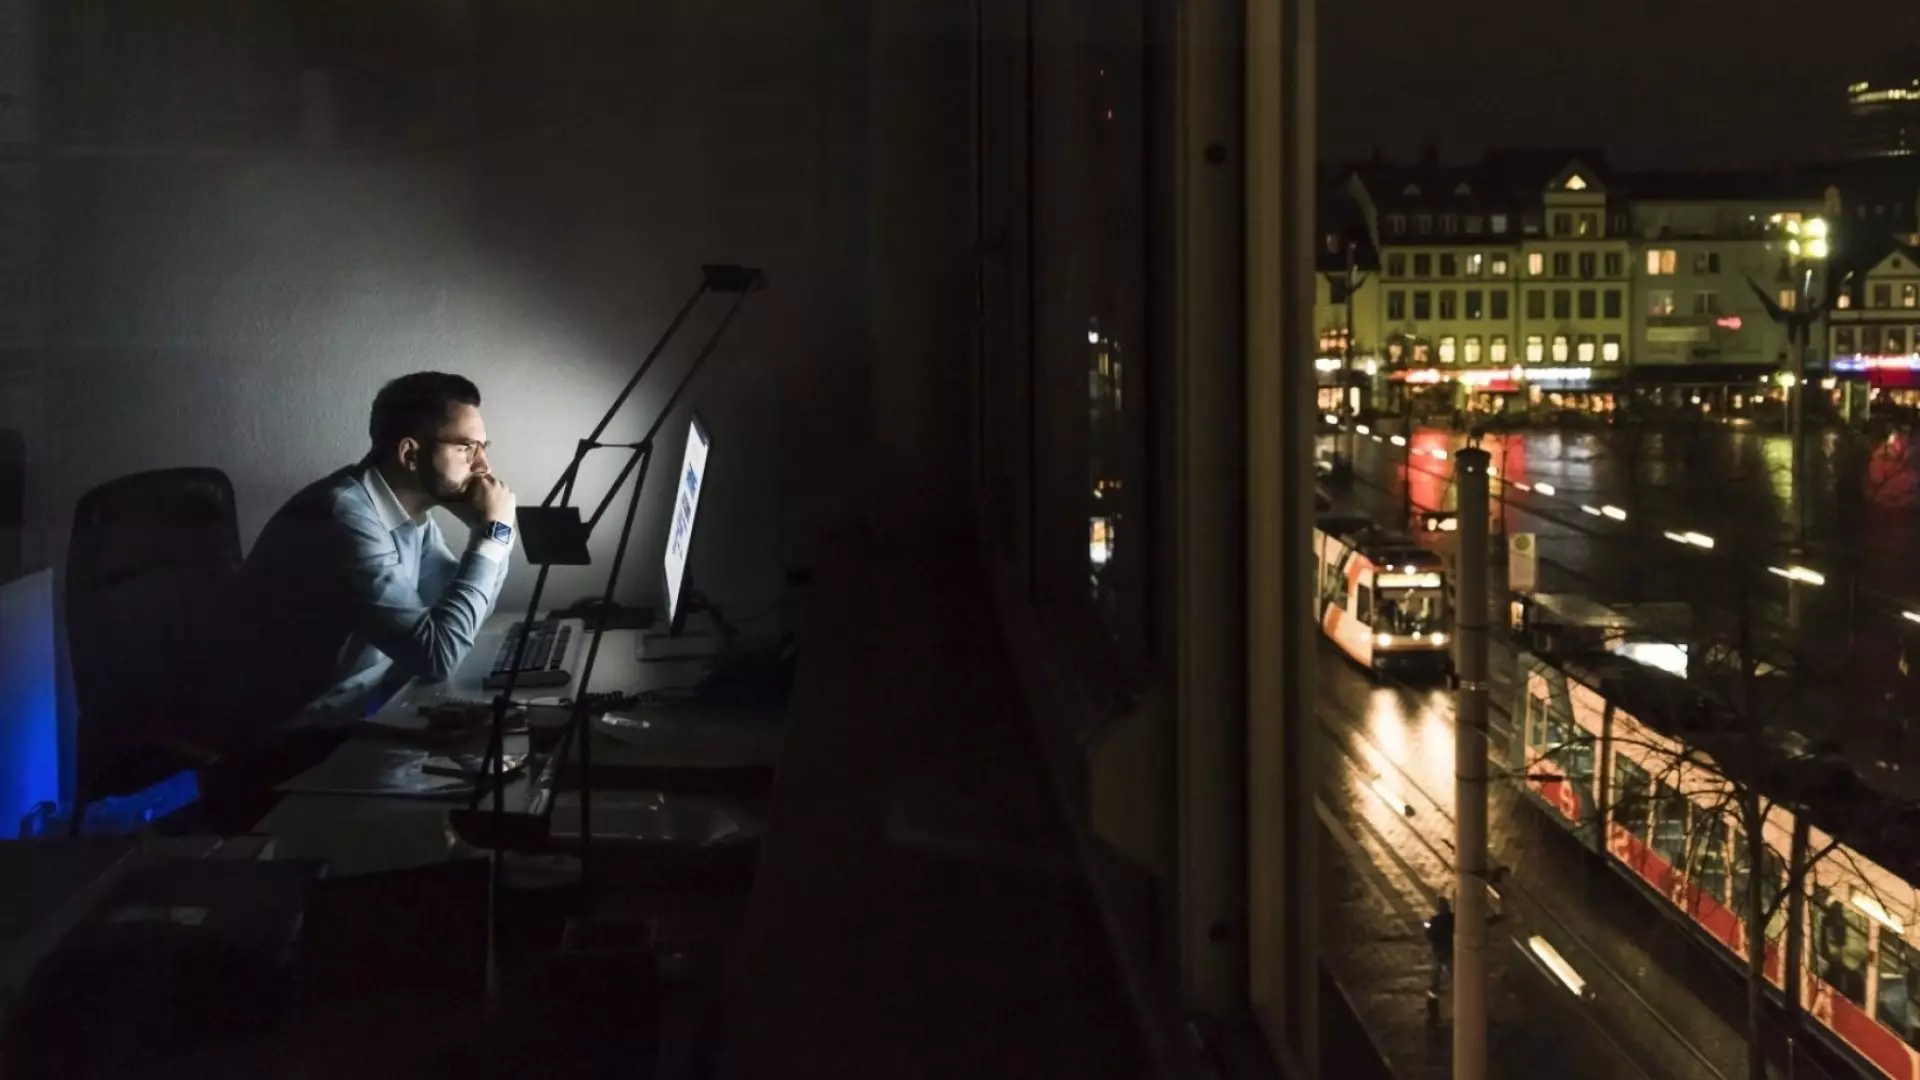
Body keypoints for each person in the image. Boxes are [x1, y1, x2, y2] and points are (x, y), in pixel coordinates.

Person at [199, 372, 517, 828]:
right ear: (410, 453)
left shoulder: (410, 514)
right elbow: (437, 653)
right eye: (468, 448)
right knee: (477, 810)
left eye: (483, 448)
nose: (484, 466)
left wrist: (486, 538)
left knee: (504, 757)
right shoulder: (344, 519)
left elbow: (459, 615)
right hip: (282, 747)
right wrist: (493, 536)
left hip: (351, 722)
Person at [1425, 896, 1455, 997]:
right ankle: (1459, 988)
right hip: (1449, 948)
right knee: (1453, 970)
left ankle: (1434, 988)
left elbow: (1429, 934)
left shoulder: (1435, 920)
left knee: (1436, 971)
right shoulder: (1454, 918)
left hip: (1439, 949)